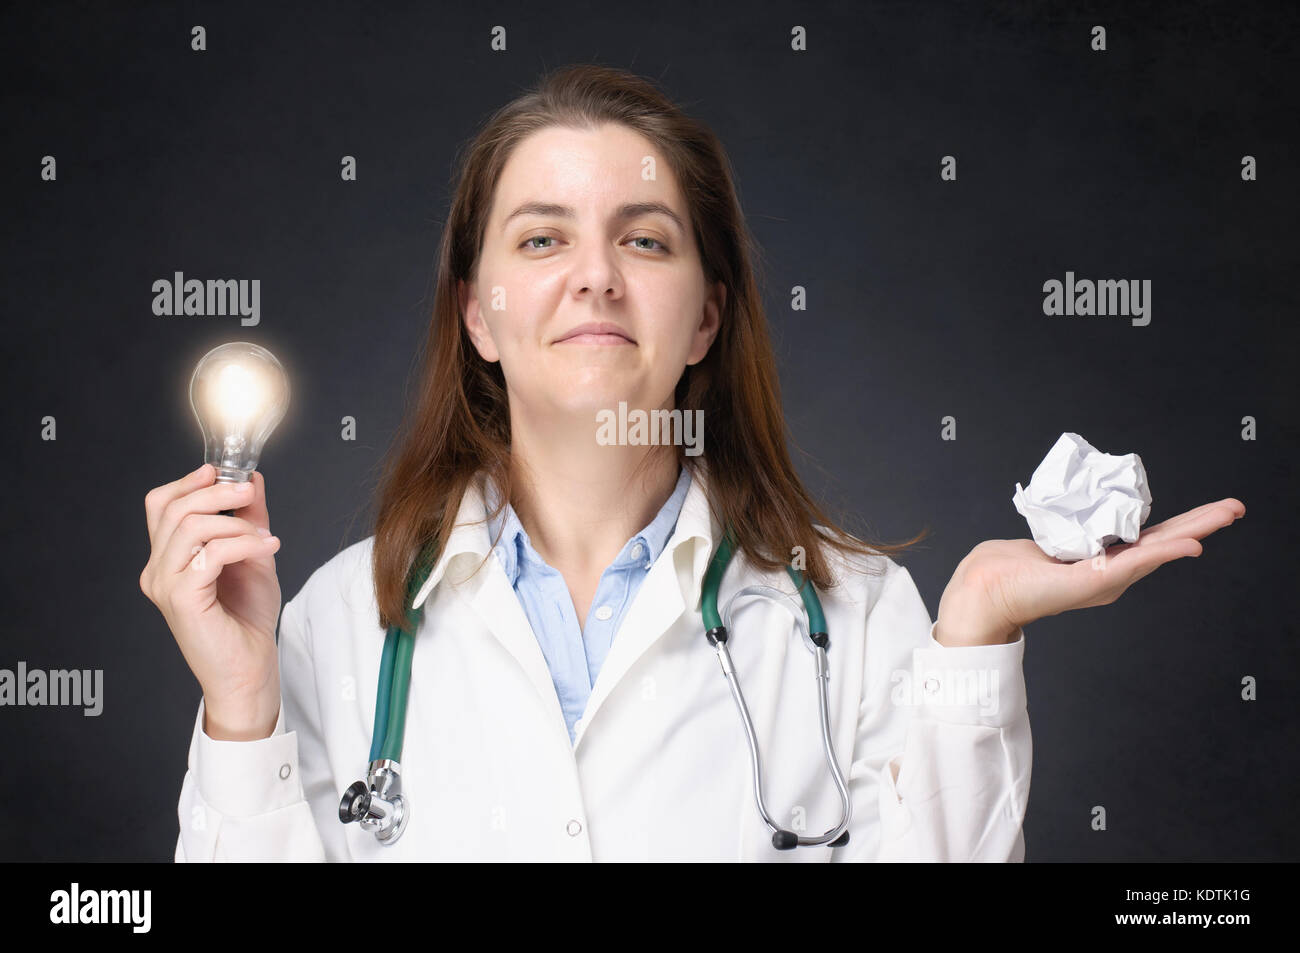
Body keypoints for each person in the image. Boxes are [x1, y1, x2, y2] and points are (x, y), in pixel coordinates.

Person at [139, 64, 1245, 862]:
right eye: (540, 237)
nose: (595, 277)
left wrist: (976, 630)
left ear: (707, 316)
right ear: (477, 314)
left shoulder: (853, 617)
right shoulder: (336, 622)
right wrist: (242, 708)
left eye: (645, 237)